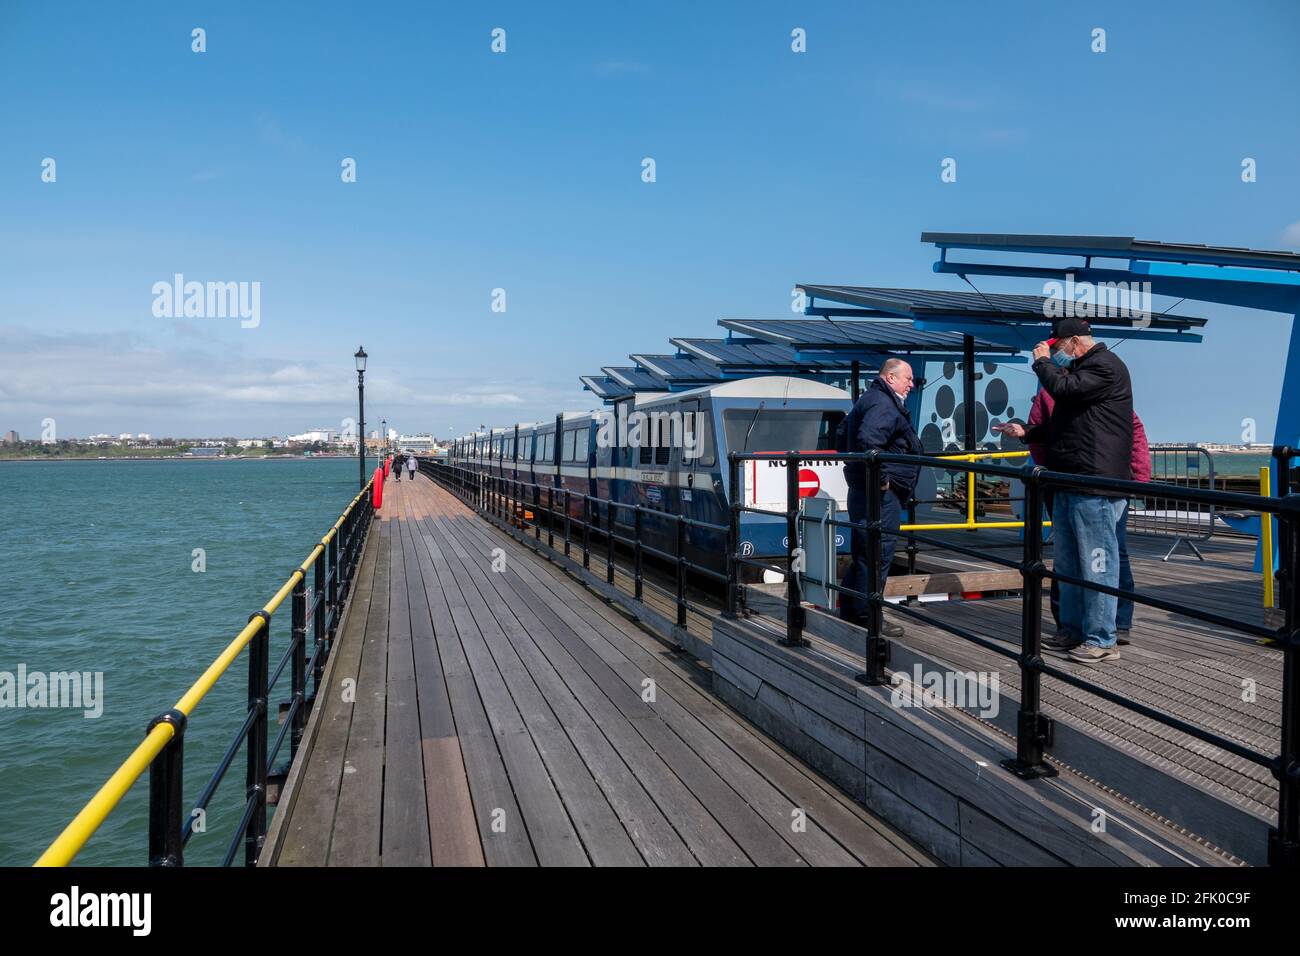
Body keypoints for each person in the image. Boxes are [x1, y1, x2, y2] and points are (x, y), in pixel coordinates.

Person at [993, 318, 1132, 664]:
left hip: (1094, 482)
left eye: (1056, 349)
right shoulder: (1084, 369)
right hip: (1070, 478)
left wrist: (1040, 363)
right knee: (1068, 563)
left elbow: (1064, 391)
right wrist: (1026, 432)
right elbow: (1062, 425)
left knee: (1097, 563)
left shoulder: (1105, 367)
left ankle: (1102, 638)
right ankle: (1071, 630)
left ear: (1072, 342)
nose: (1054, 355)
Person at [1026, 379, 1151, 645]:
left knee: (1113, 552)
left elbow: (1133, 430)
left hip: (1105, 482)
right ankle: (1069, 624)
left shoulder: (1097, 385)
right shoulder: (1048, 395)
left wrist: (1138, 478)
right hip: (1065, 482)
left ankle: (1118, 621)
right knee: (1068, 554)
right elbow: (1038, 433)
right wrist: (1049, 468)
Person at [836, 358, 923, 637]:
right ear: (890, 377)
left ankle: (851, 609)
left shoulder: (870, 399)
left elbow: (841, 434)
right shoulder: (883, 404)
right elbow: (868, 441)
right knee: (877, 553)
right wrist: (882, 478)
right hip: (880, 494)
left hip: (865, 489)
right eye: (908, 378)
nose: (912, 384)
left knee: (865, 551)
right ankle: (867, 614)